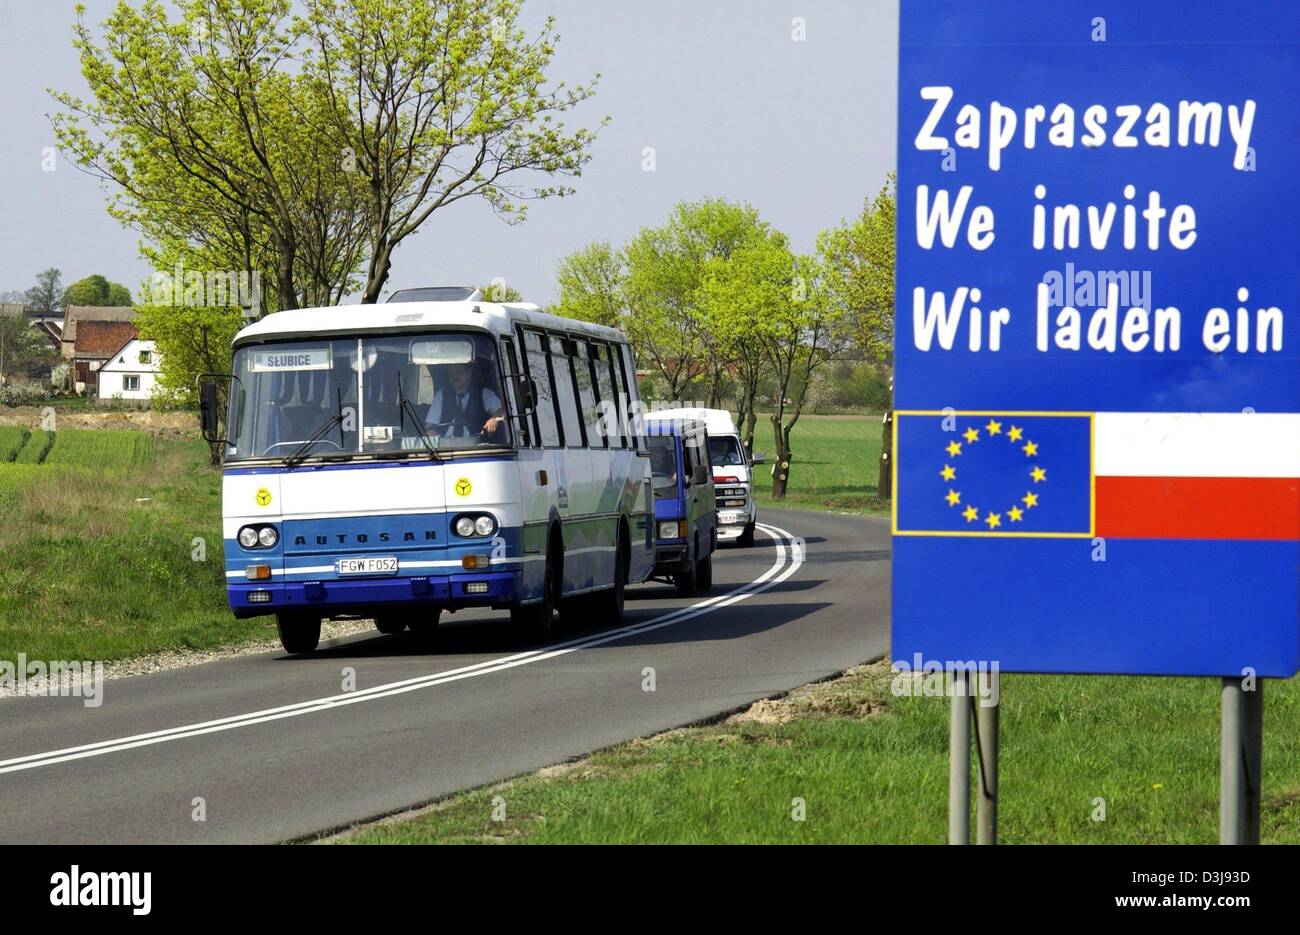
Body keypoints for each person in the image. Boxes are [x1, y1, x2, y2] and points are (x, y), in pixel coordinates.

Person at [424, 361, 506, 440]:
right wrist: (440, 443)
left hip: (477, 447)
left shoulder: (483, 393)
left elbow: (503, 410)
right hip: (446, 448)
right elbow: (430, 426)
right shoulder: (441, 395)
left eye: (458, 372)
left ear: (469, 373)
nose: (454, 377)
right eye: (451, 374)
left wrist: (494, 419)